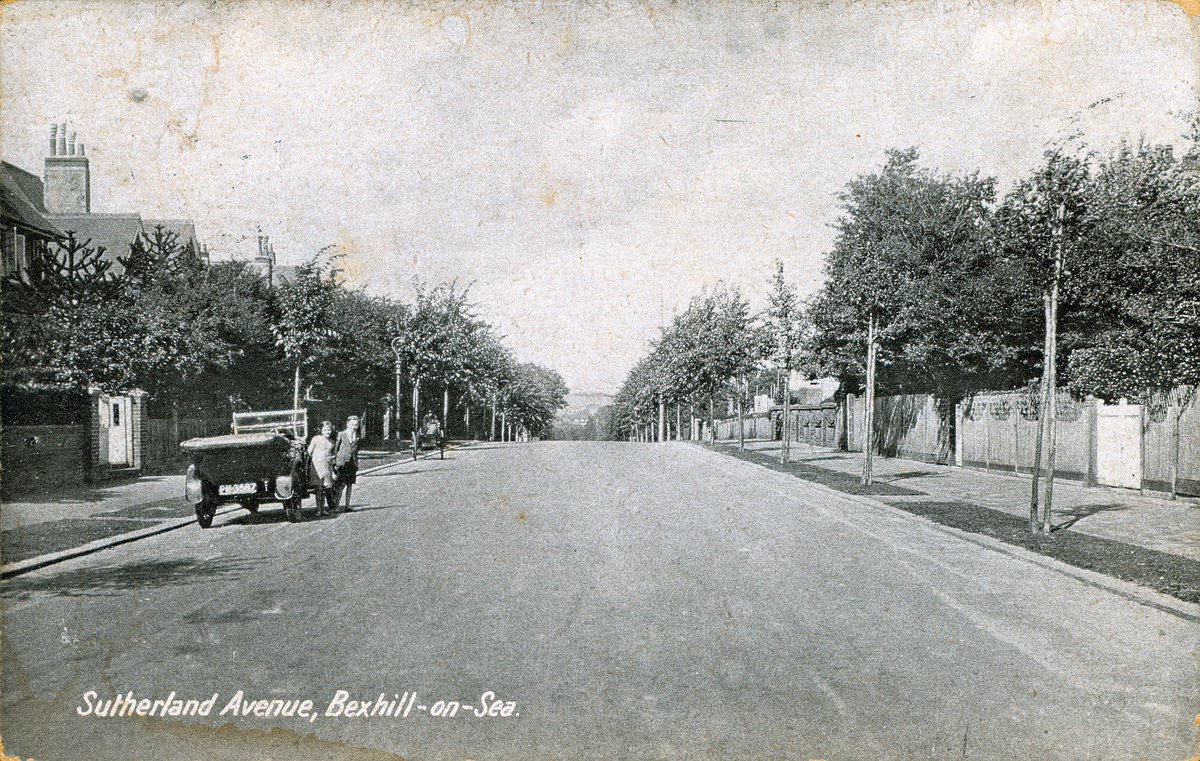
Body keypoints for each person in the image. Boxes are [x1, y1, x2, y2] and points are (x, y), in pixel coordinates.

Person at [307, 420, 338, 516]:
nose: (327, 432)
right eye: (325, 430)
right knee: (318, 489)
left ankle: (323, 509)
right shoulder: (316, 439)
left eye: (329, 430)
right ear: (321, 430)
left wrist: (332, 458)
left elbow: (333, 454)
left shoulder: (332, 441)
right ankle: (318, 510)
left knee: (325, 489)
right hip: (317, 465)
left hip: (326, 466)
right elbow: (309, 451)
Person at [333, 415, 361, 511]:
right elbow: (335, 449)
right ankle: (336, 506)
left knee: (350, 485)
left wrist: (356, 463)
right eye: (352, 424)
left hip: (352, 463)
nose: (354, 427)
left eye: (356, 425)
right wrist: (335, 462)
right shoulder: (341, 434)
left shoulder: (357, 436)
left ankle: (347, 505)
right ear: (348, 424)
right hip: (342, 463)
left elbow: (356, 451)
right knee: (341, 485)